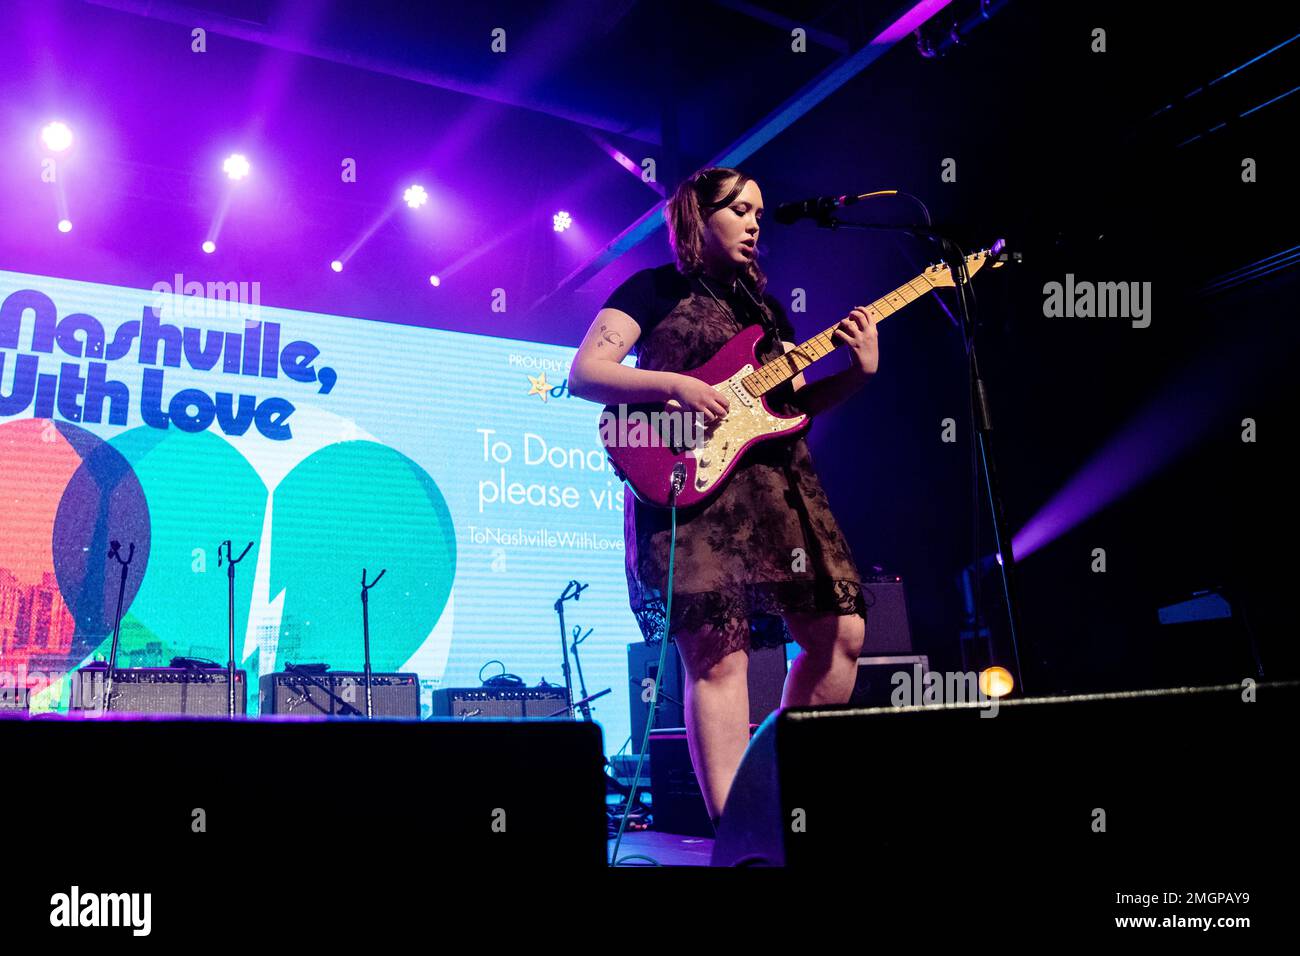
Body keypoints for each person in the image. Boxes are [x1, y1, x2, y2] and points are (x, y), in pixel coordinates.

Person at [570, 167, 878, 829]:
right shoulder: (653, 288)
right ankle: (741, 836)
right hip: (694, 486)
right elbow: (585, 374)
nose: (754, 221)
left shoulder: (766, 312)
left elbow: (794, 410)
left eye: (760, 212)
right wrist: (675, 387)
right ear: (696, 216)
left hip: (778, 491)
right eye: (739, 208)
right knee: (718, 657)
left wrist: (857, 375)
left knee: (841, 632)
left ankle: (776, 785)